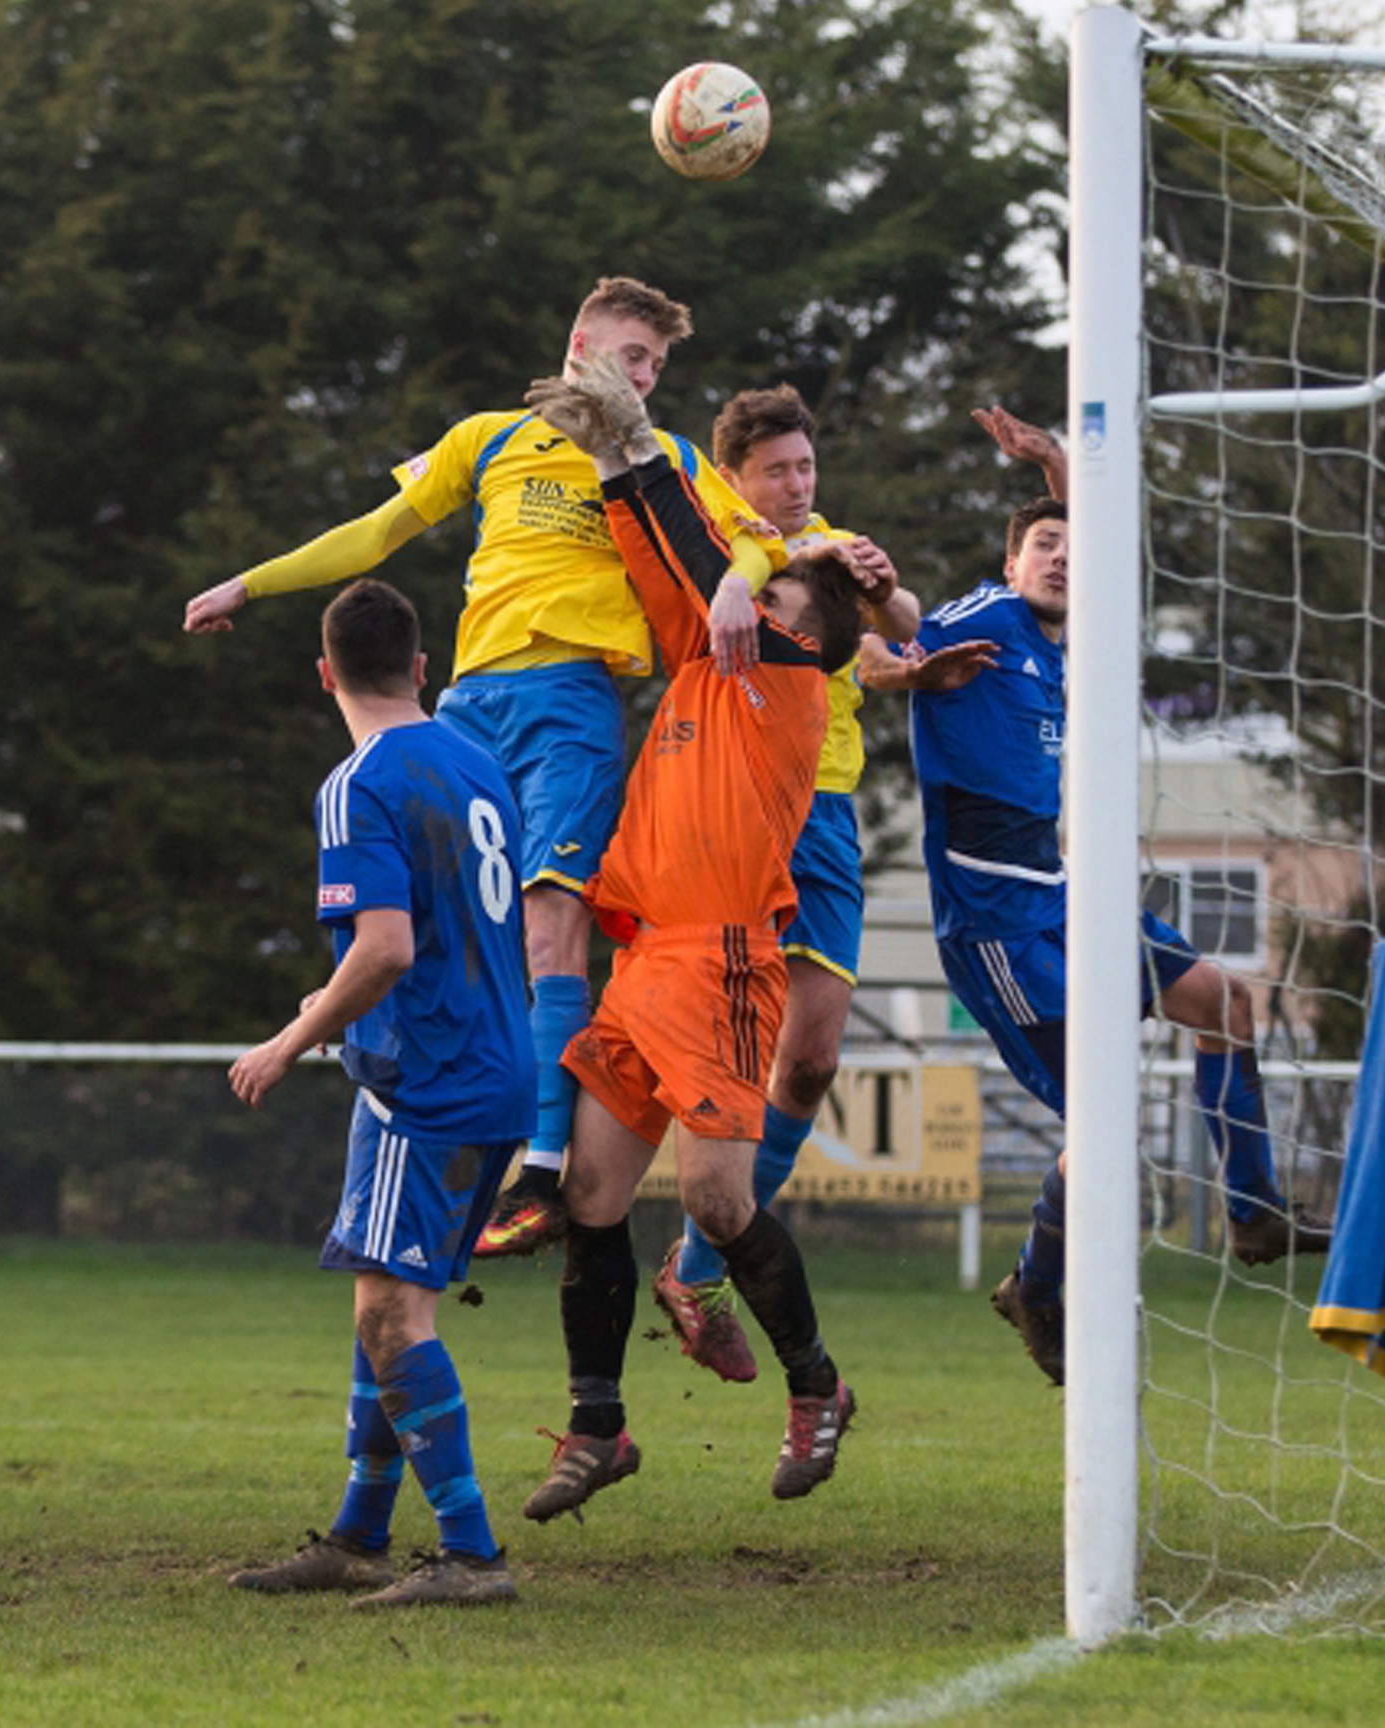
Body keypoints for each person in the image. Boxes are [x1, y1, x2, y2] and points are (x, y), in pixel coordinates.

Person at [184, 278, 772, 1267]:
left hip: (571, 701)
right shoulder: (491, 439)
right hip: (464, 707)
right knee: (418, 914)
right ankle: (395, 1080)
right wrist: (250, 582)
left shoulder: (661, 457)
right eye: (633, 356)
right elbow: (376, 533)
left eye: (657, 366)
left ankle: (539, 1172)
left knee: (548, 923)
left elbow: (756, 544)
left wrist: (734, 593)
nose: (644, 379)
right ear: (581, 344)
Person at [510, 355, 874, 1518]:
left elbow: (706, 558)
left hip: (720, 961)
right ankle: (597, 1428)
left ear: (803, 638)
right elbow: (669, 558)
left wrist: (638, 439)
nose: (746, 604)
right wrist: (617, 465)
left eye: (770, 602)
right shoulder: (710, 660)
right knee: (593, 1197)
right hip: (644, 964)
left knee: (717, 1204)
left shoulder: (789, 689)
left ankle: (816, 1386)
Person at [911, 408, 1332, 1387]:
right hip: (996, 925)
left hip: (1067, 894)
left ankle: (1255, 1213)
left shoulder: (1067, 643)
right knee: (1101, 1127)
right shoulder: (987, 619)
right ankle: (1035, 1287)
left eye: (1071, 545)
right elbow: (898, 632)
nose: (1060, 557)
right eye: (1042, 545)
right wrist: (895, 666)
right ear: (1008, 564)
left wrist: (1059, 462)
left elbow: (1093, 551)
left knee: (1225, 1002)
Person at [649, 385, 997, 1384]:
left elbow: (890, 637)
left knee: (809, 1061)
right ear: (733, 478)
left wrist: (901, 642)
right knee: (717, 1048)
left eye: (806, 467)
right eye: (776, 472)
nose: (798, 485)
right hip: (731, 813)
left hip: (826, 815)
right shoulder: (717, 553)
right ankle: (609, 1217)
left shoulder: (835, 547)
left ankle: (694, 1265)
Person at [222, 578, 535, 1608]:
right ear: (421, 667)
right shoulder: (479, 763)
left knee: (395, 1318)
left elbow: (388, 946)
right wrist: (340, 1005)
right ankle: (359, 1538)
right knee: (384, 1302)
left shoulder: (358, 782)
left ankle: (472, 1556)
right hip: (495, 1067)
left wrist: (292, 1038)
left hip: (427, 1085)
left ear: (325, 675)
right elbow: (445, 934)